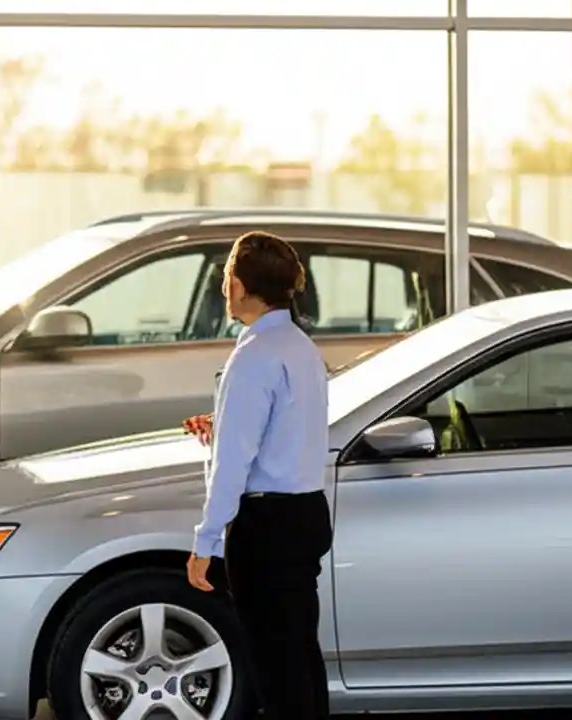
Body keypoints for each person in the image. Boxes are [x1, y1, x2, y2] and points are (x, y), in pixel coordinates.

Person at [184, 231, 333, 720]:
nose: (223, 285)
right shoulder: (300, 347)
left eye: (227, 275)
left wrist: (206, 543)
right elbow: (288, 431)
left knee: (275, 670)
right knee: (300, 660)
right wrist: (222, 427)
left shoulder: (252, 356)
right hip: (306, 512)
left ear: (244, 286)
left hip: (266, 526)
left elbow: (234, 463)